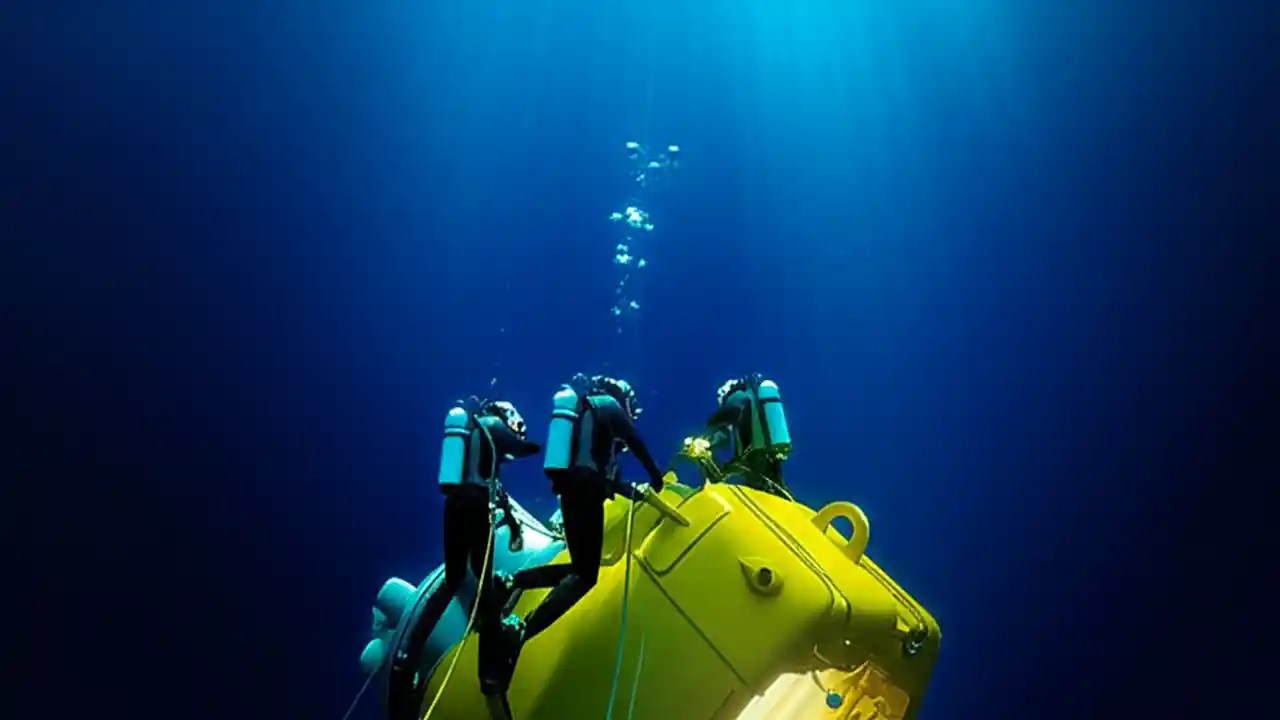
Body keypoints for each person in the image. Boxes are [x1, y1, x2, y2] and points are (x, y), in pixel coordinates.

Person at [485, 374, 665, 693]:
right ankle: (522, 630)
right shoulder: (609, 407)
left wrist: (625, 490)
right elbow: (635, 443)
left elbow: (600, 477)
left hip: (568, 491)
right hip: (586, 487)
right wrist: (656, 478)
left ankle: (514, 580)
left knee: (580, 568)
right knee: (586, 577)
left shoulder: (581, 417)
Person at [387, 396, 539, 717]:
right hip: (475, 507)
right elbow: (516, 445)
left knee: (455, 578)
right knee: (484, 581)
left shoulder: (471, 436)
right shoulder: (492, 426)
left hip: (455, 507)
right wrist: (533, 447)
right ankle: (492, 672)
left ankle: (406, 655)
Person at [705, 374, 793, 498]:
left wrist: (711, 426)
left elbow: (732, 412)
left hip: (755, 454)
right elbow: (724, 435)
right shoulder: (752, 400)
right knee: (775, 485)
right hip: (770, 455)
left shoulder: (736, 396)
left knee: (760, 489)